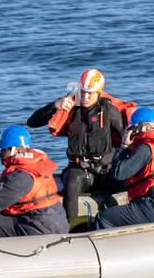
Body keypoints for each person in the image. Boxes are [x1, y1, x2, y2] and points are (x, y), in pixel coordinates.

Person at [26, 68, 131, 227]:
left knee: (129, 178)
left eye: (90, 93)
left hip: (106, 171)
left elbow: (126, 138)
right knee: (72, 180)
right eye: (82, 92)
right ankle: (70, 226)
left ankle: (131, 218)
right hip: (81, 173)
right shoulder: (69, 108)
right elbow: (32, 122)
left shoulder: (109, 110)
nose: (85, 97)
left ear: (98, 93)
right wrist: (55, 105)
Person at [95, 109, 154, 228]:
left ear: (143, 127)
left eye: (132, 128)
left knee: (104, 217)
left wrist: (124, 147)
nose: (131, 132)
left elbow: (119, 173)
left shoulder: (145, 149)